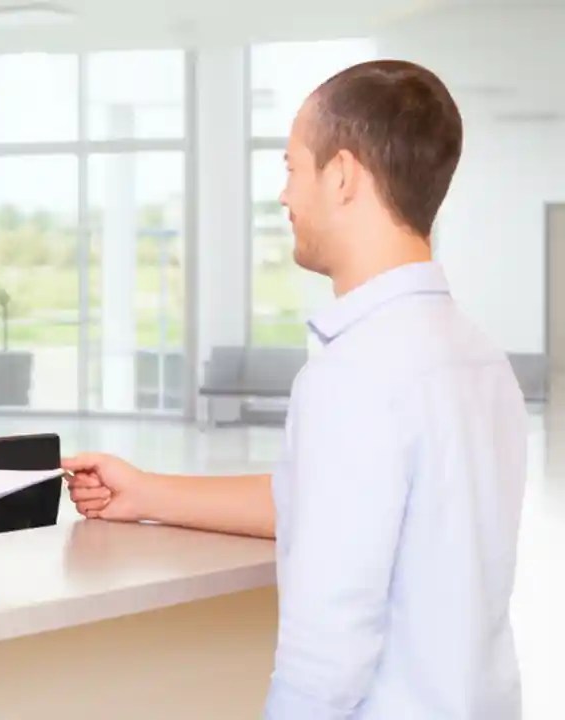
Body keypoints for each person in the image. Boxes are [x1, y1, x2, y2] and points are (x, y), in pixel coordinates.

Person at [65, 60, 528, 718]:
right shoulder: (478, 357)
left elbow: (328, 650)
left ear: (340, 176)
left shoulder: (357, 373)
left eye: (291, 167)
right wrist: (145, 491)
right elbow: (331, 504)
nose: (284, 195)